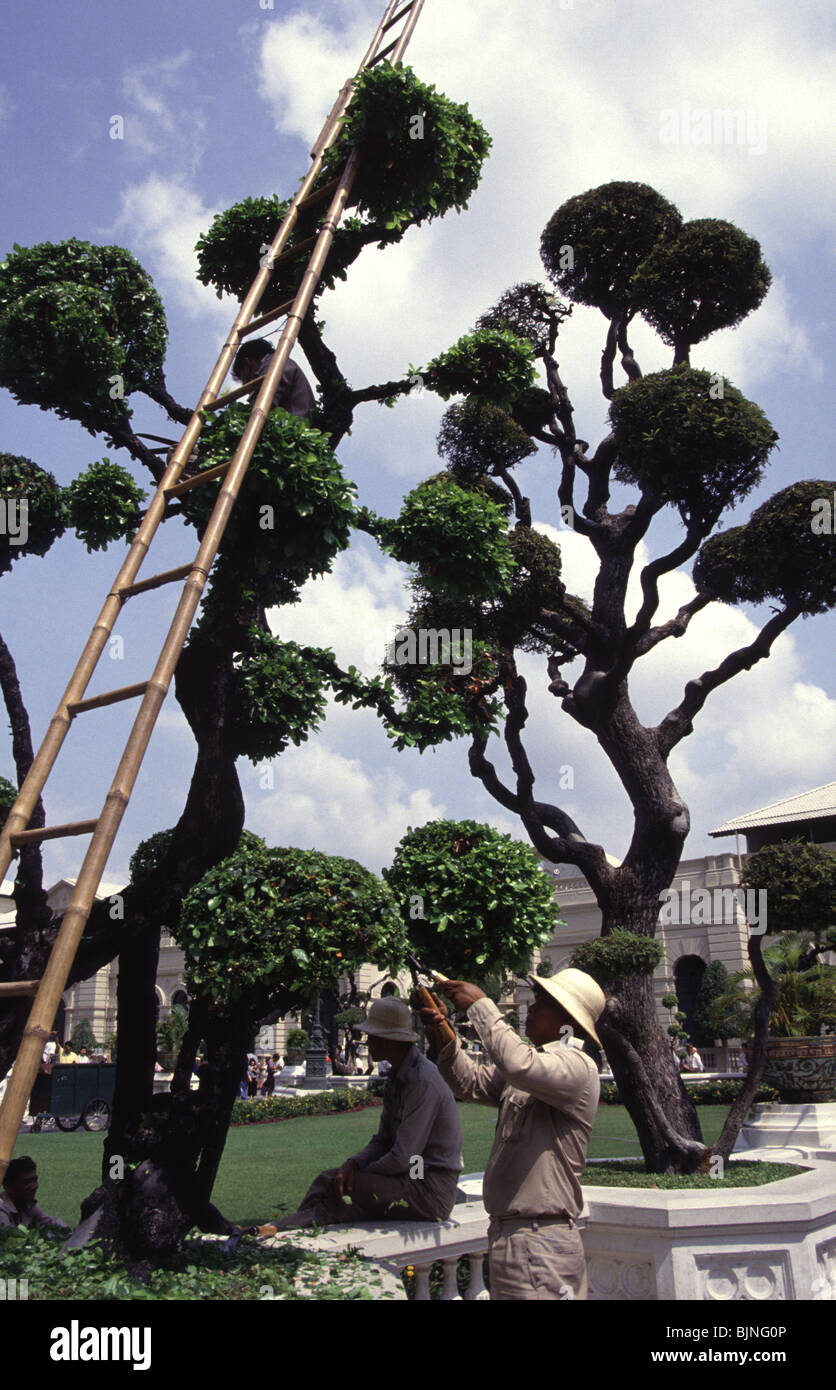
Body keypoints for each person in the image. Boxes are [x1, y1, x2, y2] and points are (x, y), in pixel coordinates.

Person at [423, 968, 605, 1302]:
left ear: (567, 1019)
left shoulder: (576, 1067)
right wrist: (441, 1032)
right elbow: (469, 1083)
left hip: (541, 1242)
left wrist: (480, 1006)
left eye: (541, 1002)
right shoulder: (541, 1067)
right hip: (516, 1238)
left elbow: (516, 1063)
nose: (530, 1008)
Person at [269, 997, 463, 1232]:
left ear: (390, 1040)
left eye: (373, 1035)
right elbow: (383, 1141)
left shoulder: (422, 1081)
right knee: (329, 1182)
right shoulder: (398, 1077)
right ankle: (284, 1231)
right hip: (413, 1176)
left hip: (429, 1189)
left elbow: (405, 1157)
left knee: (335, 1186)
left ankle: (281, 1232)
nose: (367, 1041)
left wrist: (357, 1175)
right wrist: (353, 1164)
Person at [230, 338, 315, 420]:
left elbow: (264, 404)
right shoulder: (279, 362)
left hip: (293, 429)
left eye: (246, 379)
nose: (247, 387)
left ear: (247, 362)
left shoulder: (273, 365)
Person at [0, 1157, 69, 1233]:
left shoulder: (27, 1204)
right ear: (8, 1186)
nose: (35, 1186)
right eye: (27, 1182)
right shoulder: (2, 1210)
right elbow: (9, 1239)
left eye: (35, 1180)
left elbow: (50, 1222)